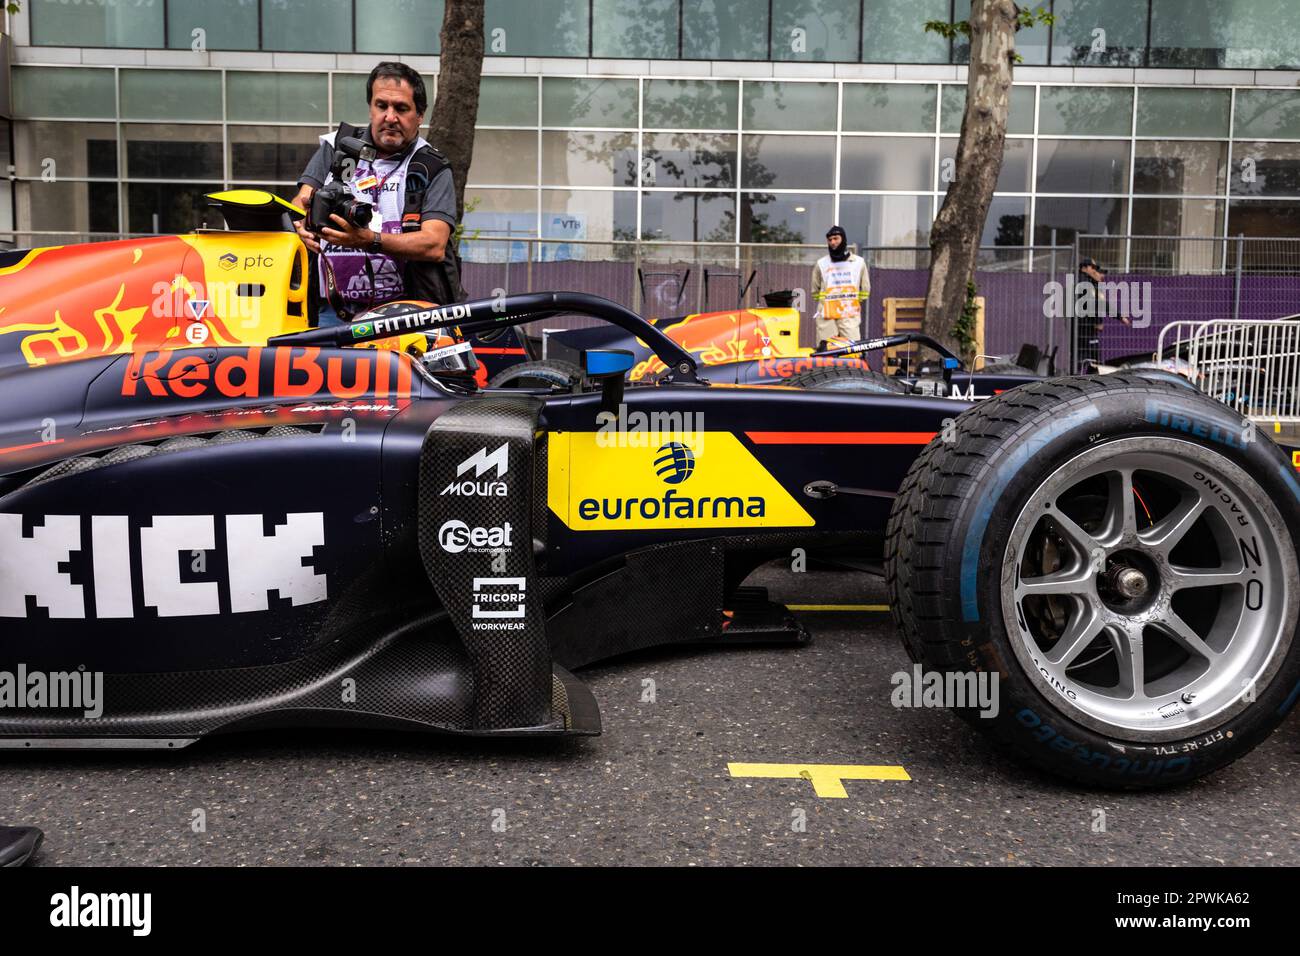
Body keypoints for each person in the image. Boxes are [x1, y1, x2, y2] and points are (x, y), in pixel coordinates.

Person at [292, 61, 461, 327]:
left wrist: (368, 240)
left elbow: (434, 244)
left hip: (403, 314)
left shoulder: (431, 166)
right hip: (331, 311)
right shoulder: (338, 147)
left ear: (420, 115)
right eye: (381, 106)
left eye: (401, 108)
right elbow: (301, 201)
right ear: (371, 107)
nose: (390, 117)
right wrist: (302, 223)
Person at [811, 225, 869, 346]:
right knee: (825, 352)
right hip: (827, 317)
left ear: (843, 239)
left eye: (836, 238)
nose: (833, 242)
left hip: (849, 315)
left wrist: (853, 302)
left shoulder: (858, 263)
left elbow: (865, 289)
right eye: (830, 239)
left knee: (853, 350)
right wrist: (824, 304)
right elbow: (814, 290)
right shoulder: (821, 264)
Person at [1073, 257, 1131, 372]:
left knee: (1084, 357)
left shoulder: (1089, 284)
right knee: (1091, 358)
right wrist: (1096, 322)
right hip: (1084, 329)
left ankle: (1080, 377)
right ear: (1085, 268)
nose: (1101, 276)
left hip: (1083, 329)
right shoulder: (1084, 283)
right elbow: (1094, 304)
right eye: (1094, 269)